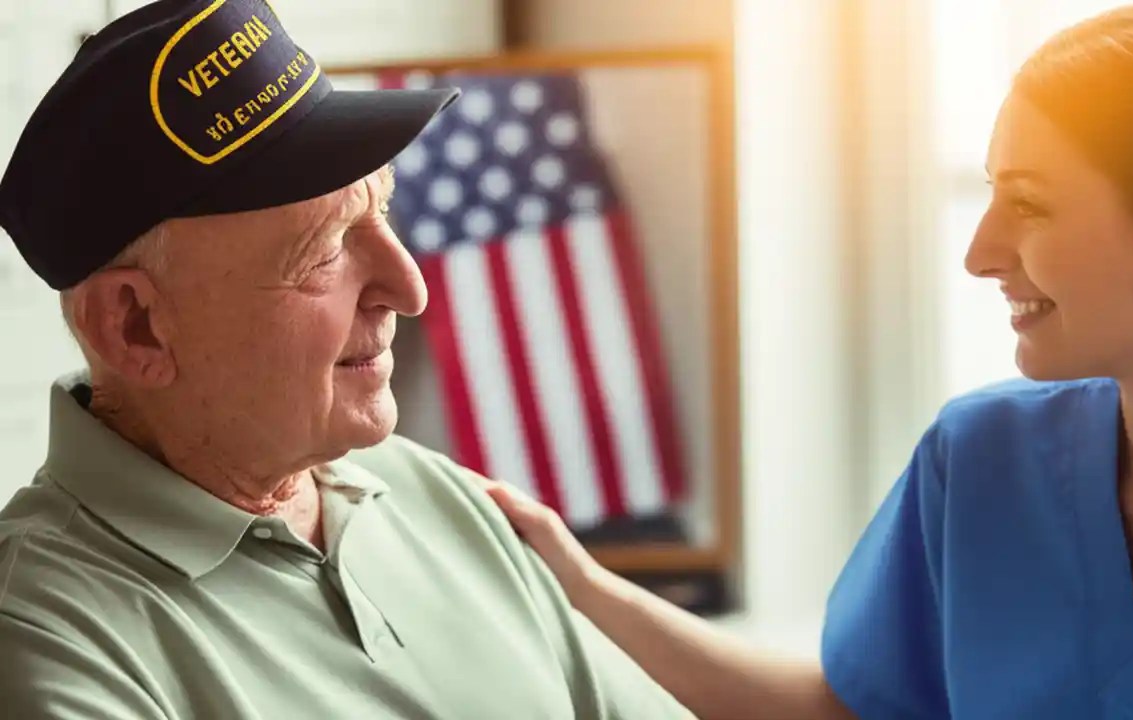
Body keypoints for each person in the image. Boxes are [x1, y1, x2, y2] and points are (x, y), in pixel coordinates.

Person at [484, 1, 1133, 717]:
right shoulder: (980, 464)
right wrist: (580, 587)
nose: (978, 253)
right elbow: (850, 712)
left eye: (1030, 204)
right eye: (991, 194)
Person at [0, 2, 691, 718]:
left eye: (382, 212)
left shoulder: (437, 498)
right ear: (135, 327)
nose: (411, 288)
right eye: (326, 247)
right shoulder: (45, 640)